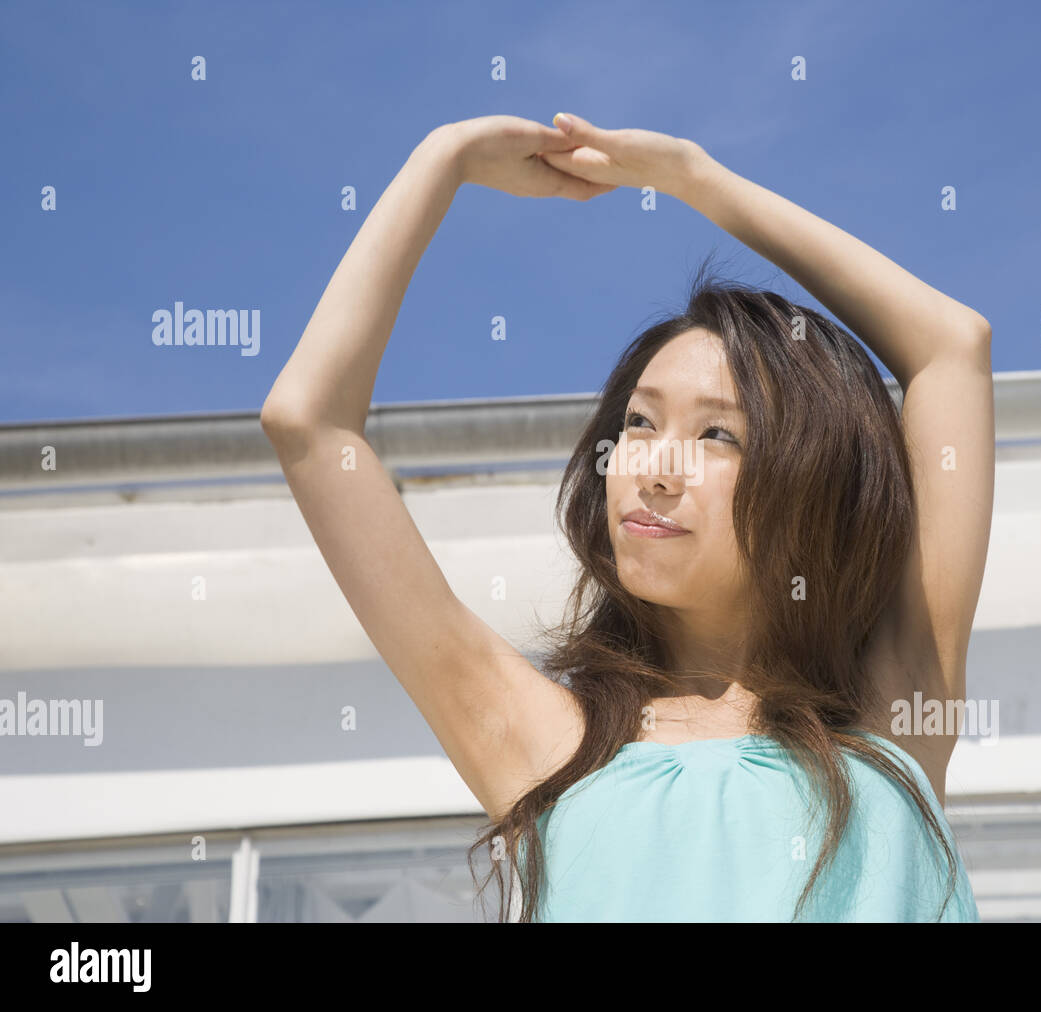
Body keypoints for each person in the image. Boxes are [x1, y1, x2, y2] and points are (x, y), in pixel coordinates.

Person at [260, 112, 994, 923]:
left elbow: (949, 345)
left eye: (718, 434)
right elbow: (309, 424)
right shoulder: (551, 746)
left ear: (814, 482)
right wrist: (444, 160)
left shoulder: (893, 710)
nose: (653, 466)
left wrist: (694, 180)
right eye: (640, 424)